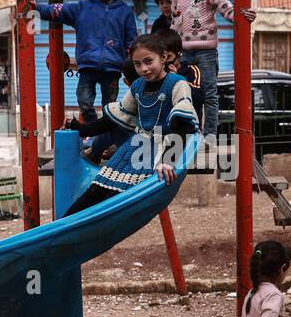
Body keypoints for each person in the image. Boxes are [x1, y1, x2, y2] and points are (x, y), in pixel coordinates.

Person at [62, 34, 198, 215]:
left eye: (149, 61)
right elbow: (114, 118)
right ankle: (66, 224)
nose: (144, 68)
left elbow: (184, 125)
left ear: (164, 57)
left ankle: (89, 226)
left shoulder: (177, 84)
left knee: (121, 200)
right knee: (98, 187)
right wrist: (81, 129)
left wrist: (168, 161)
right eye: (138, 64)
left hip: (163, 148)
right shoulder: (138, 87)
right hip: (136, 147)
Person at [168, 0, 255, 139]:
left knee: (209, 94)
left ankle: (209, 135)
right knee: (186, 94)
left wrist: (245, 16)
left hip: (206, 52)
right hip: (183, 53)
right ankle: (190, 134)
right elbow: (174, 22)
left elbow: (229, 11)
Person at [36, 0, 138, 122]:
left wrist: (133, 64)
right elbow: (57, 10)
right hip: (87, 67)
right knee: (84, 101)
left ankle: (106, 135)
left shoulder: (125, 11)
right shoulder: (82, 8)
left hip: (113, 69)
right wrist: (36, 8)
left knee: (110, 106)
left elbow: (132, 40)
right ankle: (93, 126)